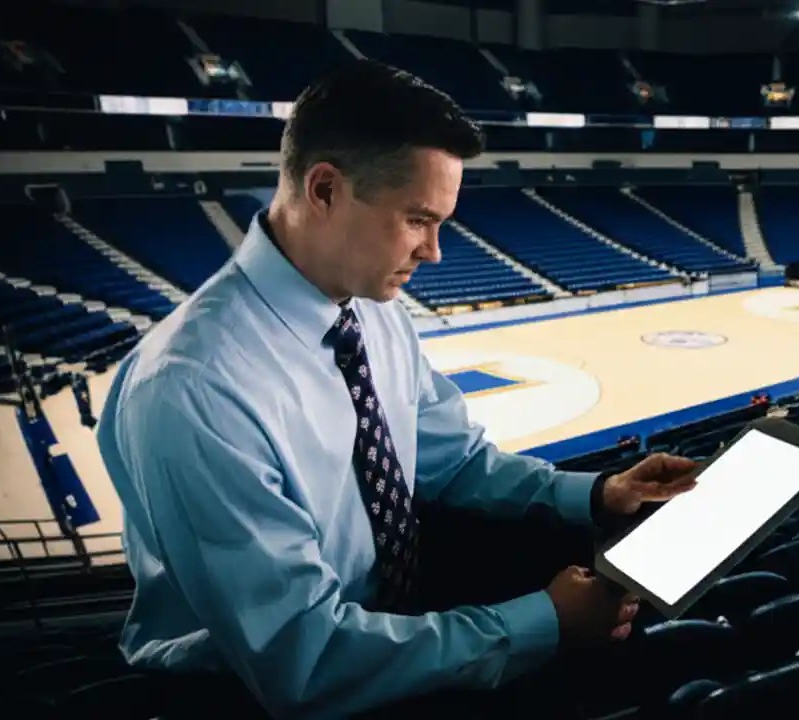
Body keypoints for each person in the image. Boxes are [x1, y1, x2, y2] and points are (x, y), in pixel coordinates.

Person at [95, 59, 699, 720]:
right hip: (243, 693)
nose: (435, 251)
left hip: (391, 624)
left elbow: (454, 463)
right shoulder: (194, 388)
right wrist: (542, 623)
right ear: (324, 189)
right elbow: (303, 661)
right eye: (418, 220)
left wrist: (596, 493)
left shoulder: (370, 307)